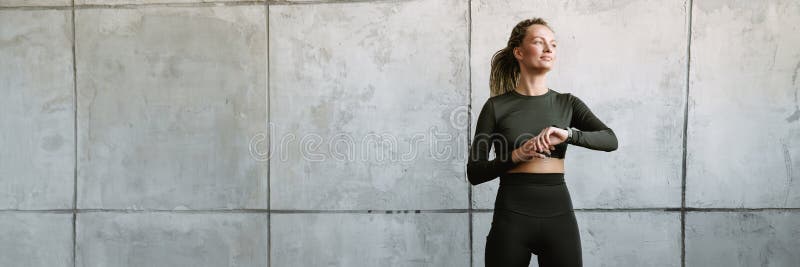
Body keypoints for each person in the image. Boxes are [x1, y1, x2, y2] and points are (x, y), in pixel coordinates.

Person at [467, 18, 618, 267]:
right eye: (539, 42)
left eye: (553, 44)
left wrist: (569, 134)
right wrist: (517, 155)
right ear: (519, 52)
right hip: (511, 217)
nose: (549, 49)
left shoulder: (568, 103)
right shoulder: (496, 107)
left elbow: (610, 139)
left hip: (559, 216)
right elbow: (474, 172)